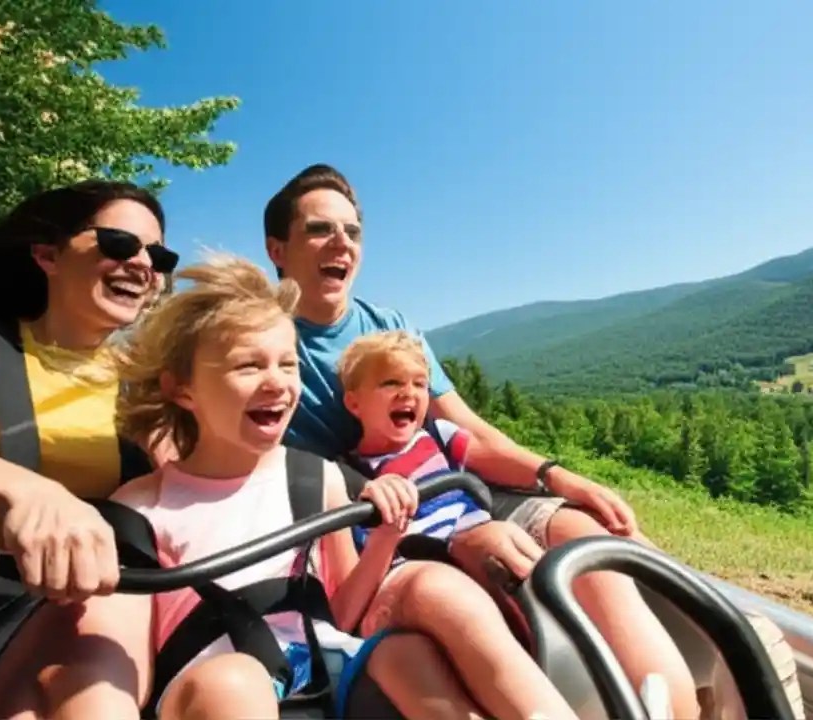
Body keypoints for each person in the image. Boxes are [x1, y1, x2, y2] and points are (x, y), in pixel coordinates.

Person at [262, 163, 699, 717]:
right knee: (475, 582)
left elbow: (465, 428)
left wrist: (554, 476)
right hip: (380, 526)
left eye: (352, 231)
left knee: (579, 532)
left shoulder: (387, 324)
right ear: (278, 250)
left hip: (449, 490)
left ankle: (671, 696)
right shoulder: (269, 343)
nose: (342, 243)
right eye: (321, 229)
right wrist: (449, 544)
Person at [101, 252, 578, 719]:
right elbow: (126, 667)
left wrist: (386, 536)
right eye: (248, 366)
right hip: (213, 685)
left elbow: (342, 614)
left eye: (288, 365)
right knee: (236, 682)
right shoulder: (141, 508)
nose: (276, 383)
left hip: (322, 665)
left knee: (405, 655)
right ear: (182, 389)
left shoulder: (315, 478)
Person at [339, 328, 703, 716]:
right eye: (390, 383)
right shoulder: (352, 477)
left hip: (488, 542)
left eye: (419, 384)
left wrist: (561, 479)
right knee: (479, 608)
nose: (408, 393)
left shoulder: (438, 437)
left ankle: (647, 687)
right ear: (353, 402)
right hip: (431, 563)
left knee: (551, 572)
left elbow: (489, 454)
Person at [0, 180, 175, 719]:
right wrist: (29, 494)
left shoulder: (143, 390)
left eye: (157, 254)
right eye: (118, 243)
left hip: (58, 613)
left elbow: (193, 486)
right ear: (47, 255)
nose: (142, 264)